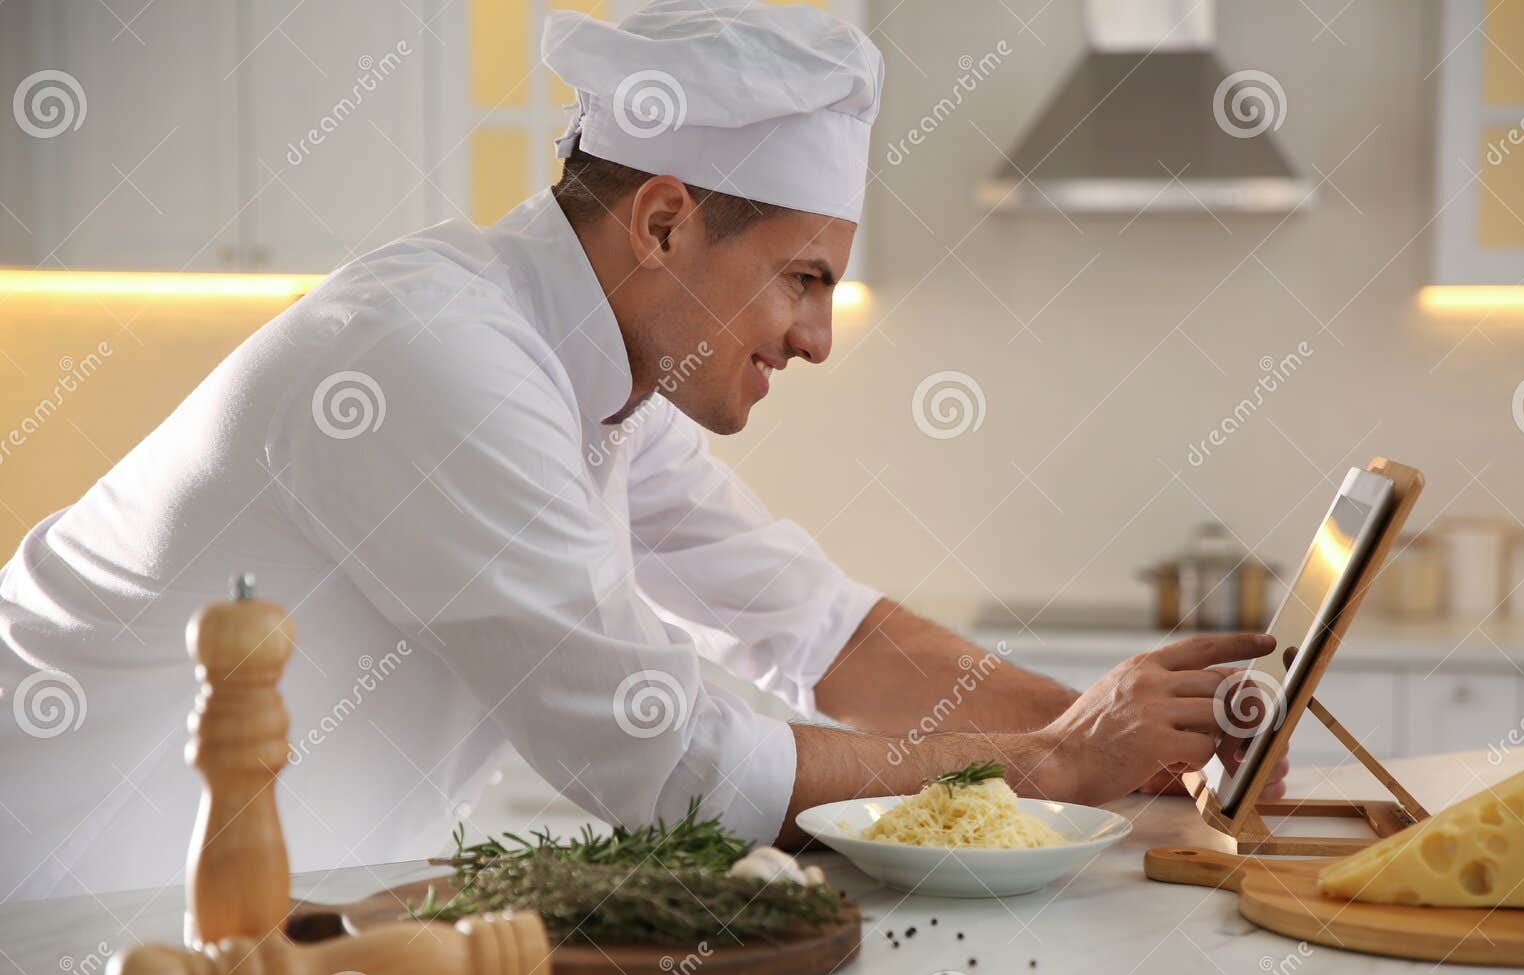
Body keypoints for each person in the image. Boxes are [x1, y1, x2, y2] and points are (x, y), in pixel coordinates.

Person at [0, 0, 1282, 902]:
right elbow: (663, 764)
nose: (820, 336)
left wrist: (1117, 731)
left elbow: (818, 628)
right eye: (802, 279)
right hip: (50, 915)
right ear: (664, 221)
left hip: (227, 929)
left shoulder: (598, 375)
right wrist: (1058, 761)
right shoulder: (429, 358)